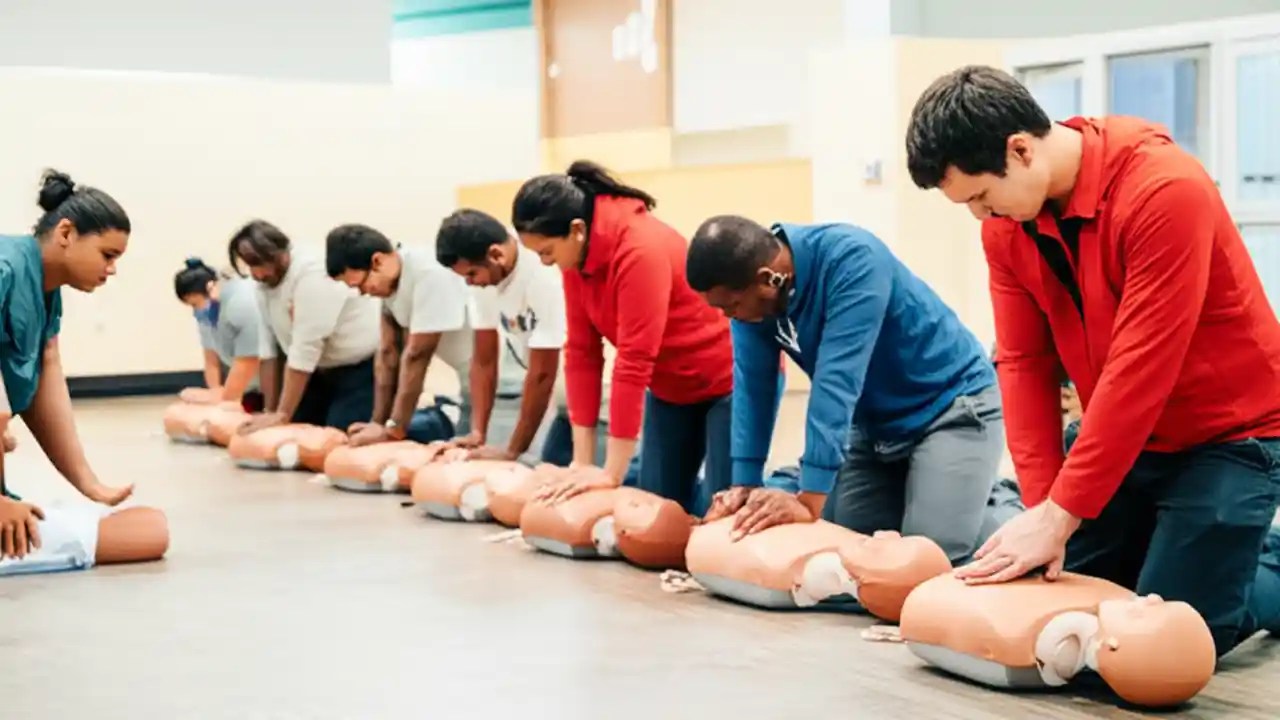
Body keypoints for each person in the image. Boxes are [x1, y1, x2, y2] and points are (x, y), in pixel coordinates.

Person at [905, 64, 1280, 656]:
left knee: (1172, 638)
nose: (980, 216)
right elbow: (1024, 362)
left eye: (980, 196)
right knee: (1076, 599)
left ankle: (1259, 561)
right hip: (1123, 440)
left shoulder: (1165, 189)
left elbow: (1143, 367)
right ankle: (1209, 547)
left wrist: (1063, 516)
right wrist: (1042, 508)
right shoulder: (1006, 229)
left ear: (1020, 149)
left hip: (1229, 438)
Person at [688, 216, 1006, 563]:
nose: (727, 317)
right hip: (876, 427)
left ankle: (998, 501)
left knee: (926, 557)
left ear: (767, 279)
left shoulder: (853, 259)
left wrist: (808, 500)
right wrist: (745, 485)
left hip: (951, 407)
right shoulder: (752, 301)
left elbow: (836, 383)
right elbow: (753, 386)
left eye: (730, 306)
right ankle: (943, 490)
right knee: (849, 546)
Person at [511, 160, 733, 515]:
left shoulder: (639, 249)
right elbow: (582, 353)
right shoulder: (575, 261)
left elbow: (633, 360)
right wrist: (582, 465)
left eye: (546, 252)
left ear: (577, 230)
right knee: (654, 512)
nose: (544, 263)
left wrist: (611, 473)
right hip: (670, 389)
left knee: (723, 511)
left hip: (727, 382)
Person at [0, 169, 169, 572]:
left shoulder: (43, 287)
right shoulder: (6, 270)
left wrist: (87, 482)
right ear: (65, 233)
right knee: (147, 532)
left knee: (150, 526)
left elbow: (47, 373)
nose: (111, 269)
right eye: (107, 255)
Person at [325, 223, 498, 447]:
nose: (362, 293)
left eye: (360, 285)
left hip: (502, 388)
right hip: (472, 387)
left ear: (377, 261)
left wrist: (394, 429)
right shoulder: (389, 282)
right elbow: (388, 352)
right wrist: (377, 423)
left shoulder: (428, 272)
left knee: (489, 469)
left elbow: (417, 354)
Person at [434, 208, 571, 462]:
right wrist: (477, 432)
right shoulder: (486, 278)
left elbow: (543, 373)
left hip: (601, 404)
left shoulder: (542, 274)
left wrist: (512, 450)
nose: (470, 283)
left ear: (496, 254)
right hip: (561, 401)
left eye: (471, 274)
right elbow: (484, 360)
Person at [228, 220, 381, 434]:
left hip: (361, 369)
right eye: (250, 266)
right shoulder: (263, 284)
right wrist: (270, 411)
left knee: (339, 435)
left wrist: (282, 415)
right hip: (319, 371)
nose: (257, 274)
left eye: (261, 264)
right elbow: (269, 348)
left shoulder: (313, 272)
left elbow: (306, 347)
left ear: (281, 253)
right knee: (295, 431)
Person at [172, 257, 266, 412]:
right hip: (246, 388)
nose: (196, 311)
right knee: (187, 397)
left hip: (264, 385)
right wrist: (214, 391)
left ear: (211, 289)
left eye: (195, 304)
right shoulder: (207, 321)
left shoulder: (241, 305)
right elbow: (211, 360)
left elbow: (249, 359)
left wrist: (225, 400)